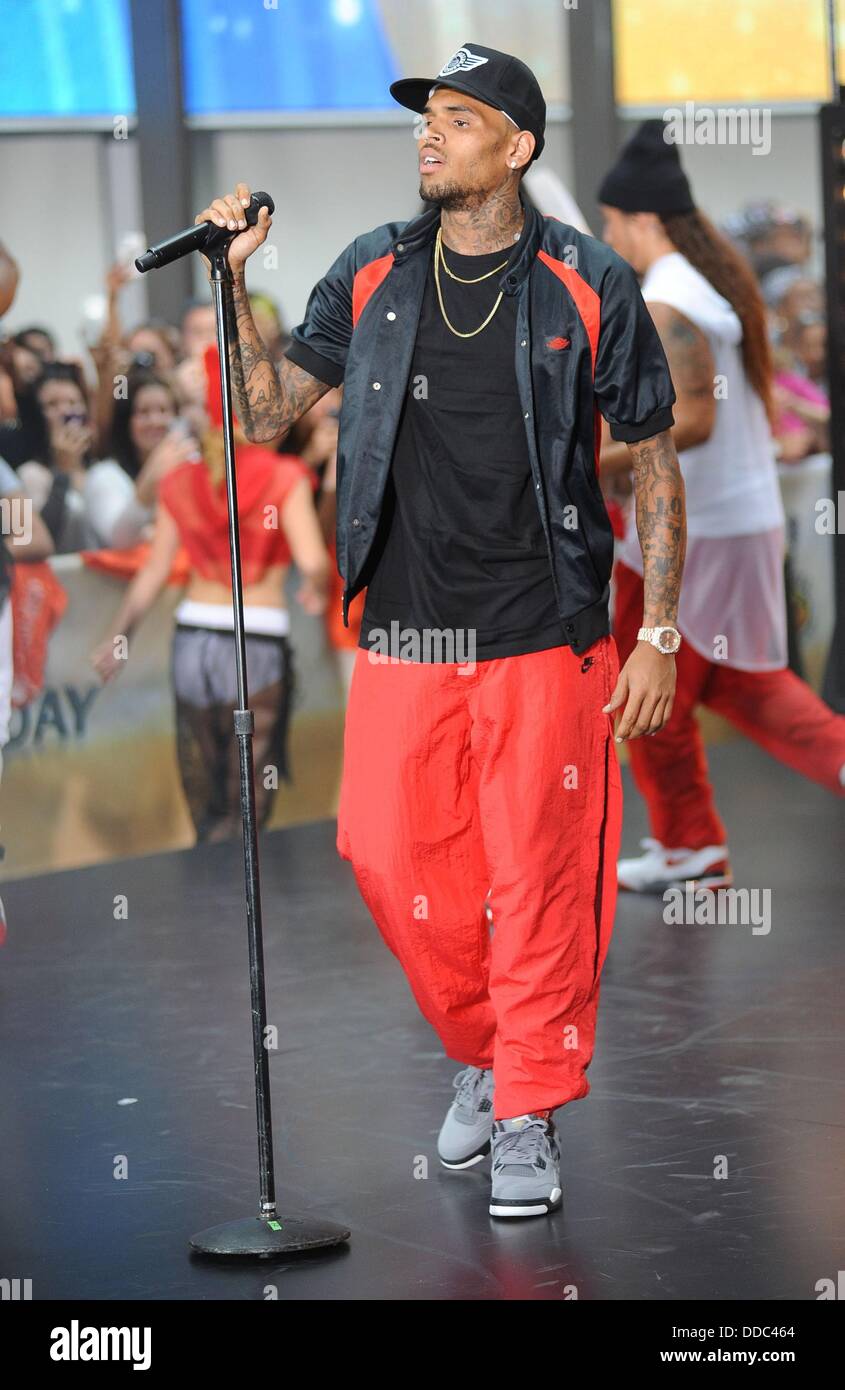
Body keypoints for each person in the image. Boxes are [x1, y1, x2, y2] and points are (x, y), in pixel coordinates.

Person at [195, 42, 685, 1219]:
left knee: (538, 879)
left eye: (457, 119)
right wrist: (232, 282)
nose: (430, 133)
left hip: (544, 632)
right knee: (384, 853)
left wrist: (657, 632)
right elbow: (262, 413)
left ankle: (525, 1106)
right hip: (406, 636)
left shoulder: (583, 280)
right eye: (426, 117)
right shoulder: (370, 271)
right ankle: (487, 1045)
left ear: (512, 149)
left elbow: (656, 467)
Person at [597, 121, 845, 894]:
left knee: (655, 689)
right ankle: (689, 846)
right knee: (732, 687)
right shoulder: (700, 287)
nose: (609, 237)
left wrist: (581, 461)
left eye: (611, 225)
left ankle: (689, 844)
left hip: (690, 532)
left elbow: (691, 420)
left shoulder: (670, 297)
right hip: (721, 524)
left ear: (640, 221)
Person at [91, 353, 331, 844]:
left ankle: (210, 883)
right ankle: (238, 900)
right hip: (258, 643)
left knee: (207, 784)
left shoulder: (180, 480)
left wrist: (117, 638)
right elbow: (314, 562)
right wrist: (317, 587)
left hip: (194, 641)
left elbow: (155, 571)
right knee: (250, 787)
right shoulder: (284, 477)